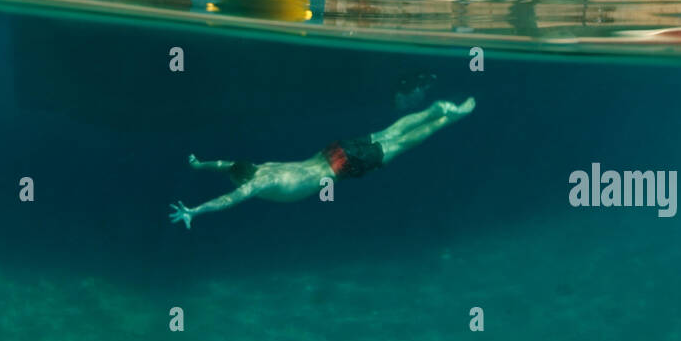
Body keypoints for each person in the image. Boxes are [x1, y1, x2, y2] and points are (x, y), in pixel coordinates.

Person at [169, 97, 477, 228]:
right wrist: (199, 164)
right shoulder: (259, 167)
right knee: (389, 131)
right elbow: (225, 164)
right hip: (331, 151)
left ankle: (445, 120)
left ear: (243, 179)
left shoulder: (258, 182)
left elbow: (229, 200)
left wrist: (196, 211)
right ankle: (433, 110)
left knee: (401, 144)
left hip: (339, 168)